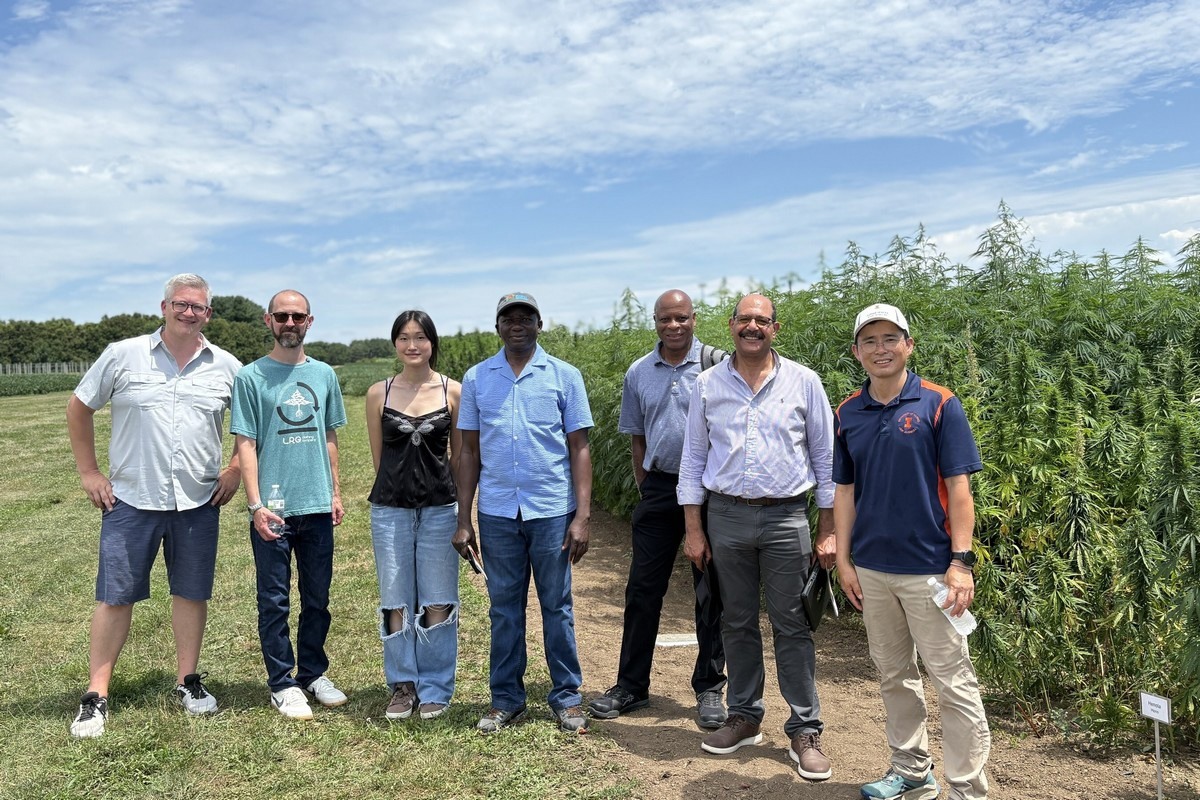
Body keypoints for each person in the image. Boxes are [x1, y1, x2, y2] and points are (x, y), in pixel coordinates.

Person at [66, 273, 242, 738]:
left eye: (198, 307)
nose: (189, 312)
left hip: (198, 499)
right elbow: (79, 407)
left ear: (208, 313)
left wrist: (236, 470)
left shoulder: (226, 366)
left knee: (191, 592)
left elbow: (250, 429)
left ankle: (188, 681)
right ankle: (97, 694)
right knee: (115, 595)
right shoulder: (123, 355)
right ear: (162, 306)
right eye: (180, 304)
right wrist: (89, 472)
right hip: (131, 499)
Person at [833, 303, 991, 800]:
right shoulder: (847, 411)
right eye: (869, 341)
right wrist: (844, 559)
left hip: (931, 571)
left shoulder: (939, 404)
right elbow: (844, 491)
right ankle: (912, 773)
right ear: (857, 352)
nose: (880, 349)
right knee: (894, 675)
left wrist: (960, 562)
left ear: (908, 345)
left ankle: (968, 788)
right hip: (873, 569)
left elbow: (959, 489)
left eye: (890, 339)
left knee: (953, 682)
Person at [678, 292, 836, 782]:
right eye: (744, 319)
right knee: (737, 620)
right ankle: (744, 717)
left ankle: (804, 728)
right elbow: (692, 461)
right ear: (730, 326)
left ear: (775, 328)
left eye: (761, 320)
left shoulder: (804, 382)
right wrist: (694, 528)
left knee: (793, 623)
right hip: (725, 516)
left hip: (787, 517)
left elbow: (827, 462)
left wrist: (828, 531)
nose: (752, 326)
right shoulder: (707, 385)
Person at [453, 291, 594, 735]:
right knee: (505, 610)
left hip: (552, 509)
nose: (517, 324)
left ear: (539, 324)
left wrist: (583, 516)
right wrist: (463, 519)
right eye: (508, 318)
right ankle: (506, 699)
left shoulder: (564, 376)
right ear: (497, 327)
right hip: (497, 512)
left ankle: (567, 698)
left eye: (526, 317)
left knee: (557, 606)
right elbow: (469, 451)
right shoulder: (478, 378)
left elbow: (580, 448)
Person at [588, 289, 728, 728]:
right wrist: (647, 486)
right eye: (666, 319)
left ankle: (709, 688)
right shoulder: (638, 373)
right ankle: (631, 686)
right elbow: (637, 436)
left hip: (710, 493)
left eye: (682, 318)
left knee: (711, 592)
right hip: (660, 490)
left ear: (694, 319)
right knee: (642, 590)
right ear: (655, 322)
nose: (674, 326)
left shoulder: (718, 366)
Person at [231, 289, 348, 721]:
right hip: (273, 508)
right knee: (275, 599)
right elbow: (245, 443)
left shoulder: (324, 376)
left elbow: (330, 437)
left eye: (297, 316)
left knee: (317, 597)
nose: (290, 323)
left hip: (316, 504)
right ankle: (282, 681)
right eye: (282, 316)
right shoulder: (249, 378)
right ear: (268, 321)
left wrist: (334, 492)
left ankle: (313, 673)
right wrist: (255, 505)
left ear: (310, 322)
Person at [366, 310, 462, 722]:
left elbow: (460, 457)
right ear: (394, 344)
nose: (412, 345)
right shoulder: (379, 393)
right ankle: (403, 684)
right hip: (390, 511)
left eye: (420, 337)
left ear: (432, 342)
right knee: (395, 599)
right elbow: (379, 458)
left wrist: (463, 514)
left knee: (439, 599)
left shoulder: (452, 392)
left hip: (441, 509)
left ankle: (436, 685)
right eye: (404, 338)